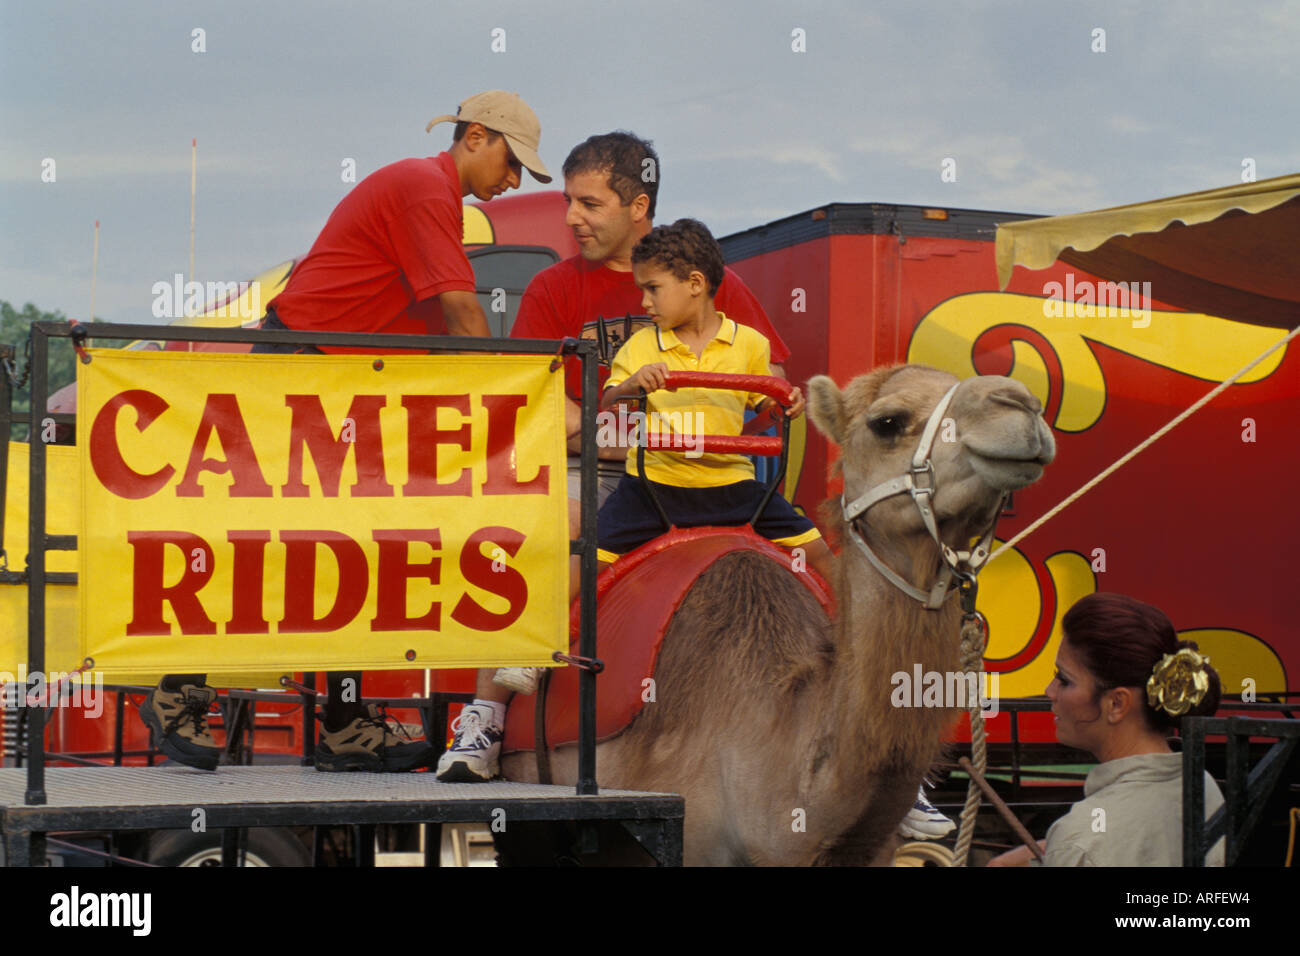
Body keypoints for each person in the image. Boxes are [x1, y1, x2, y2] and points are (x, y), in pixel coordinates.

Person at [138, 90, 551, 774]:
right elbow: (460, 312)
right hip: (304, 368)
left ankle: (345, 722)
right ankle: (179, 691)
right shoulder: (426, 188)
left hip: (337, 383)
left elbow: (435, 323)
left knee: (353, 550)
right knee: (264, 541)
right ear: (475, 137)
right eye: (512, 164)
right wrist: (513, 397)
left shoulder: (433, 195)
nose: (511, 183)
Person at [435, 132, 792, 782]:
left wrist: (721, 428)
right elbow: (533, 400)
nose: (571, 217)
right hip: (598, 472)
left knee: (817, 564)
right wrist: (614, 432)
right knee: (554, 524)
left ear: (638, 207)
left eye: (589, 203)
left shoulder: (716, 284)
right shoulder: (553, 288)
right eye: (570, 201)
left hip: (708, 470)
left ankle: (873, 752)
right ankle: (486, 714)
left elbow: (770, 378)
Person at [987, 592, 1224, 866]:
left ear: (1116, 703)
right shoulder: (1203, 786)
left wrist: (1066, 850)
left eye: (1064, 680)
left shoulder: (1082, 840)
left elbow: (1095, 842)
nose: (1049, 691)